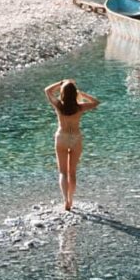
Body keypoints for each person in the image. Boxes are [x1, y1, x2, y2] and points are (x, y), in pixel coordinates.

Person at [44, 78, 99, 212]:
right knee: (72, 172)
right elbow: (96, 102)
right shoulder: (80, 107)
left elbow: (47, 90)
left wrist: (61, 82)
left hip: (61, 137)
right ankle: (71, 199)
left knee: (63, 172)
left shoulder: (58, 105)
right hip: (75, 138)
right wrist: (81, 93)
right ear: (74, 94)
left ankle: (65, 201)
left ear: (62, 93)